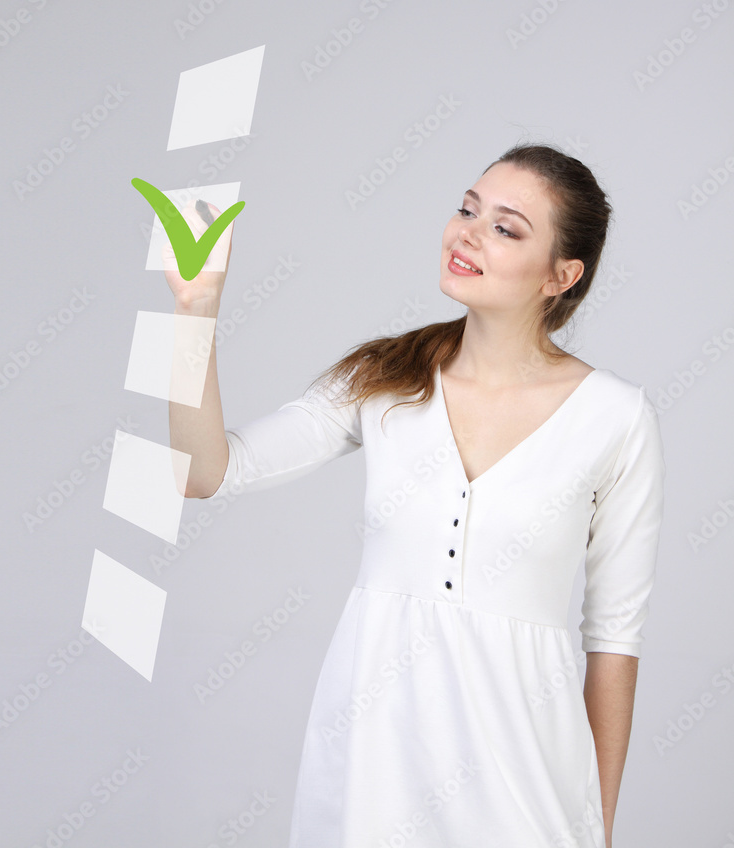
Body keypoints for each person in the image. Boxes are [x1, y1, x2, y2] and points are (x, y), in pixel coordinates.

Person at [166, 142, 665, 848]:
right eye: (466, 208)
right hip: (371, 768)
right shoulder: (384, 378)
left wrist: (598, 826)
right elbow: (206, 470)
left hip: (524, 776)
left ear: (562, 274)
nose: (466, 233)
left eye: (504, 227)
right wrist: (195, 315)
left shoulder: (615, 418)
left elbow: (614, 641)